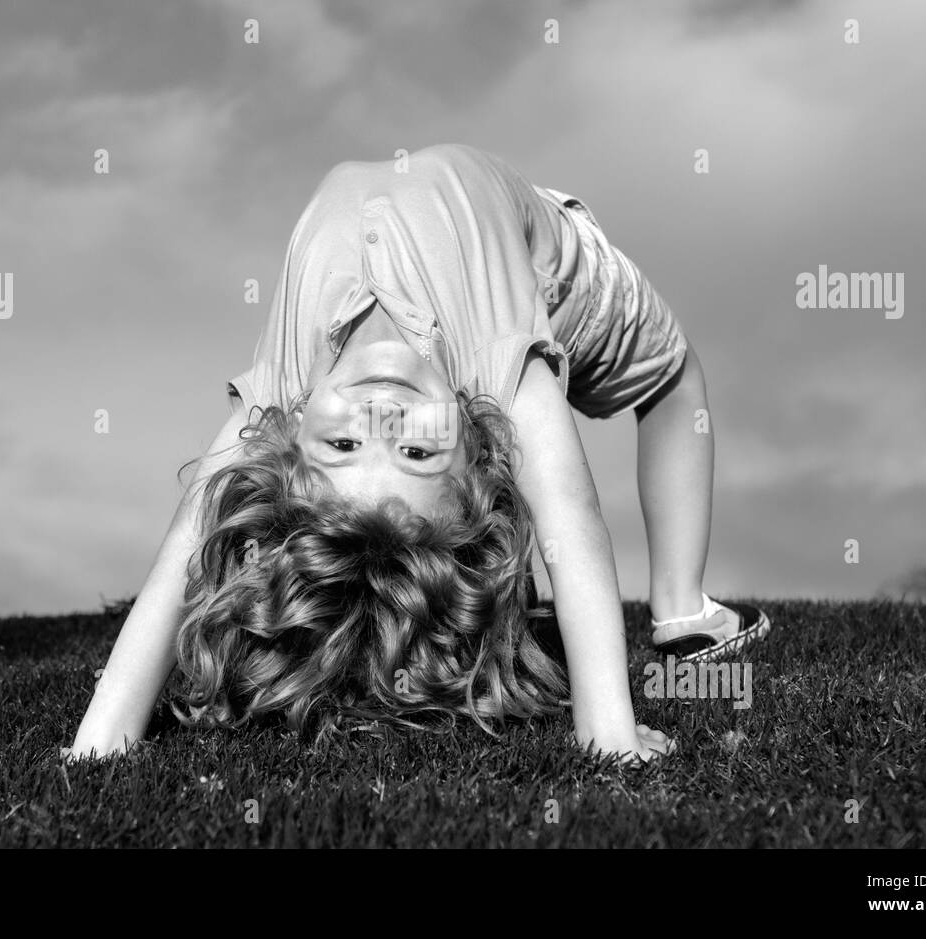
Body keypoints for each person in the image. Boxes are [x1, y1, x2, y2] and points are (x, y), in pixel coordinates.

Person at [68, 143, 769, 765]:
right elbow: (571, 524)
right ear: (480, 456)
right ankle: (682, 611)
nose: (380, 412)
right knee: (678, 386)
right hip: (555, 266)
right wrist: (609, 728)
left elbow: (178, 561)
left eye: (342, 443)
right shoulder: (500, 370)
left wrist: (101, 736)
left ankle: (677, 600)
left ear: (290, 445)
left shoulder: (286, 386)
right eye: (417, 446)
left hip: (510, 222)